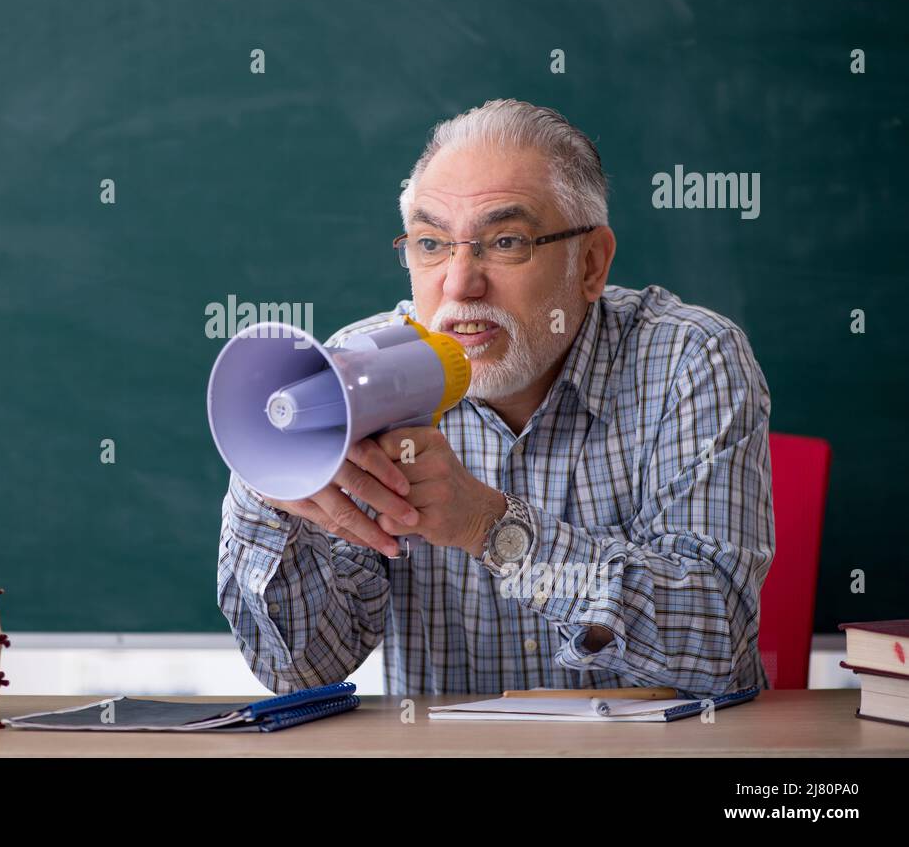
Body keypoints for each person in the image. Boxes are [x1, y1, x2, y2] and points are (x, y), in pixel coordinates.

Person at [216, 99, 773, 697]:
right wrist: (267, 497)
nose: (458, 283)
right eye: (431, 244)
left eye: (505, 241)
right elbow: (298, 670)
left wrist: (488, 526)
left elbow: (717, 639)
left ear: (591, 263)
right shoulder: (354, 370)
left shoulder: (690, 359)